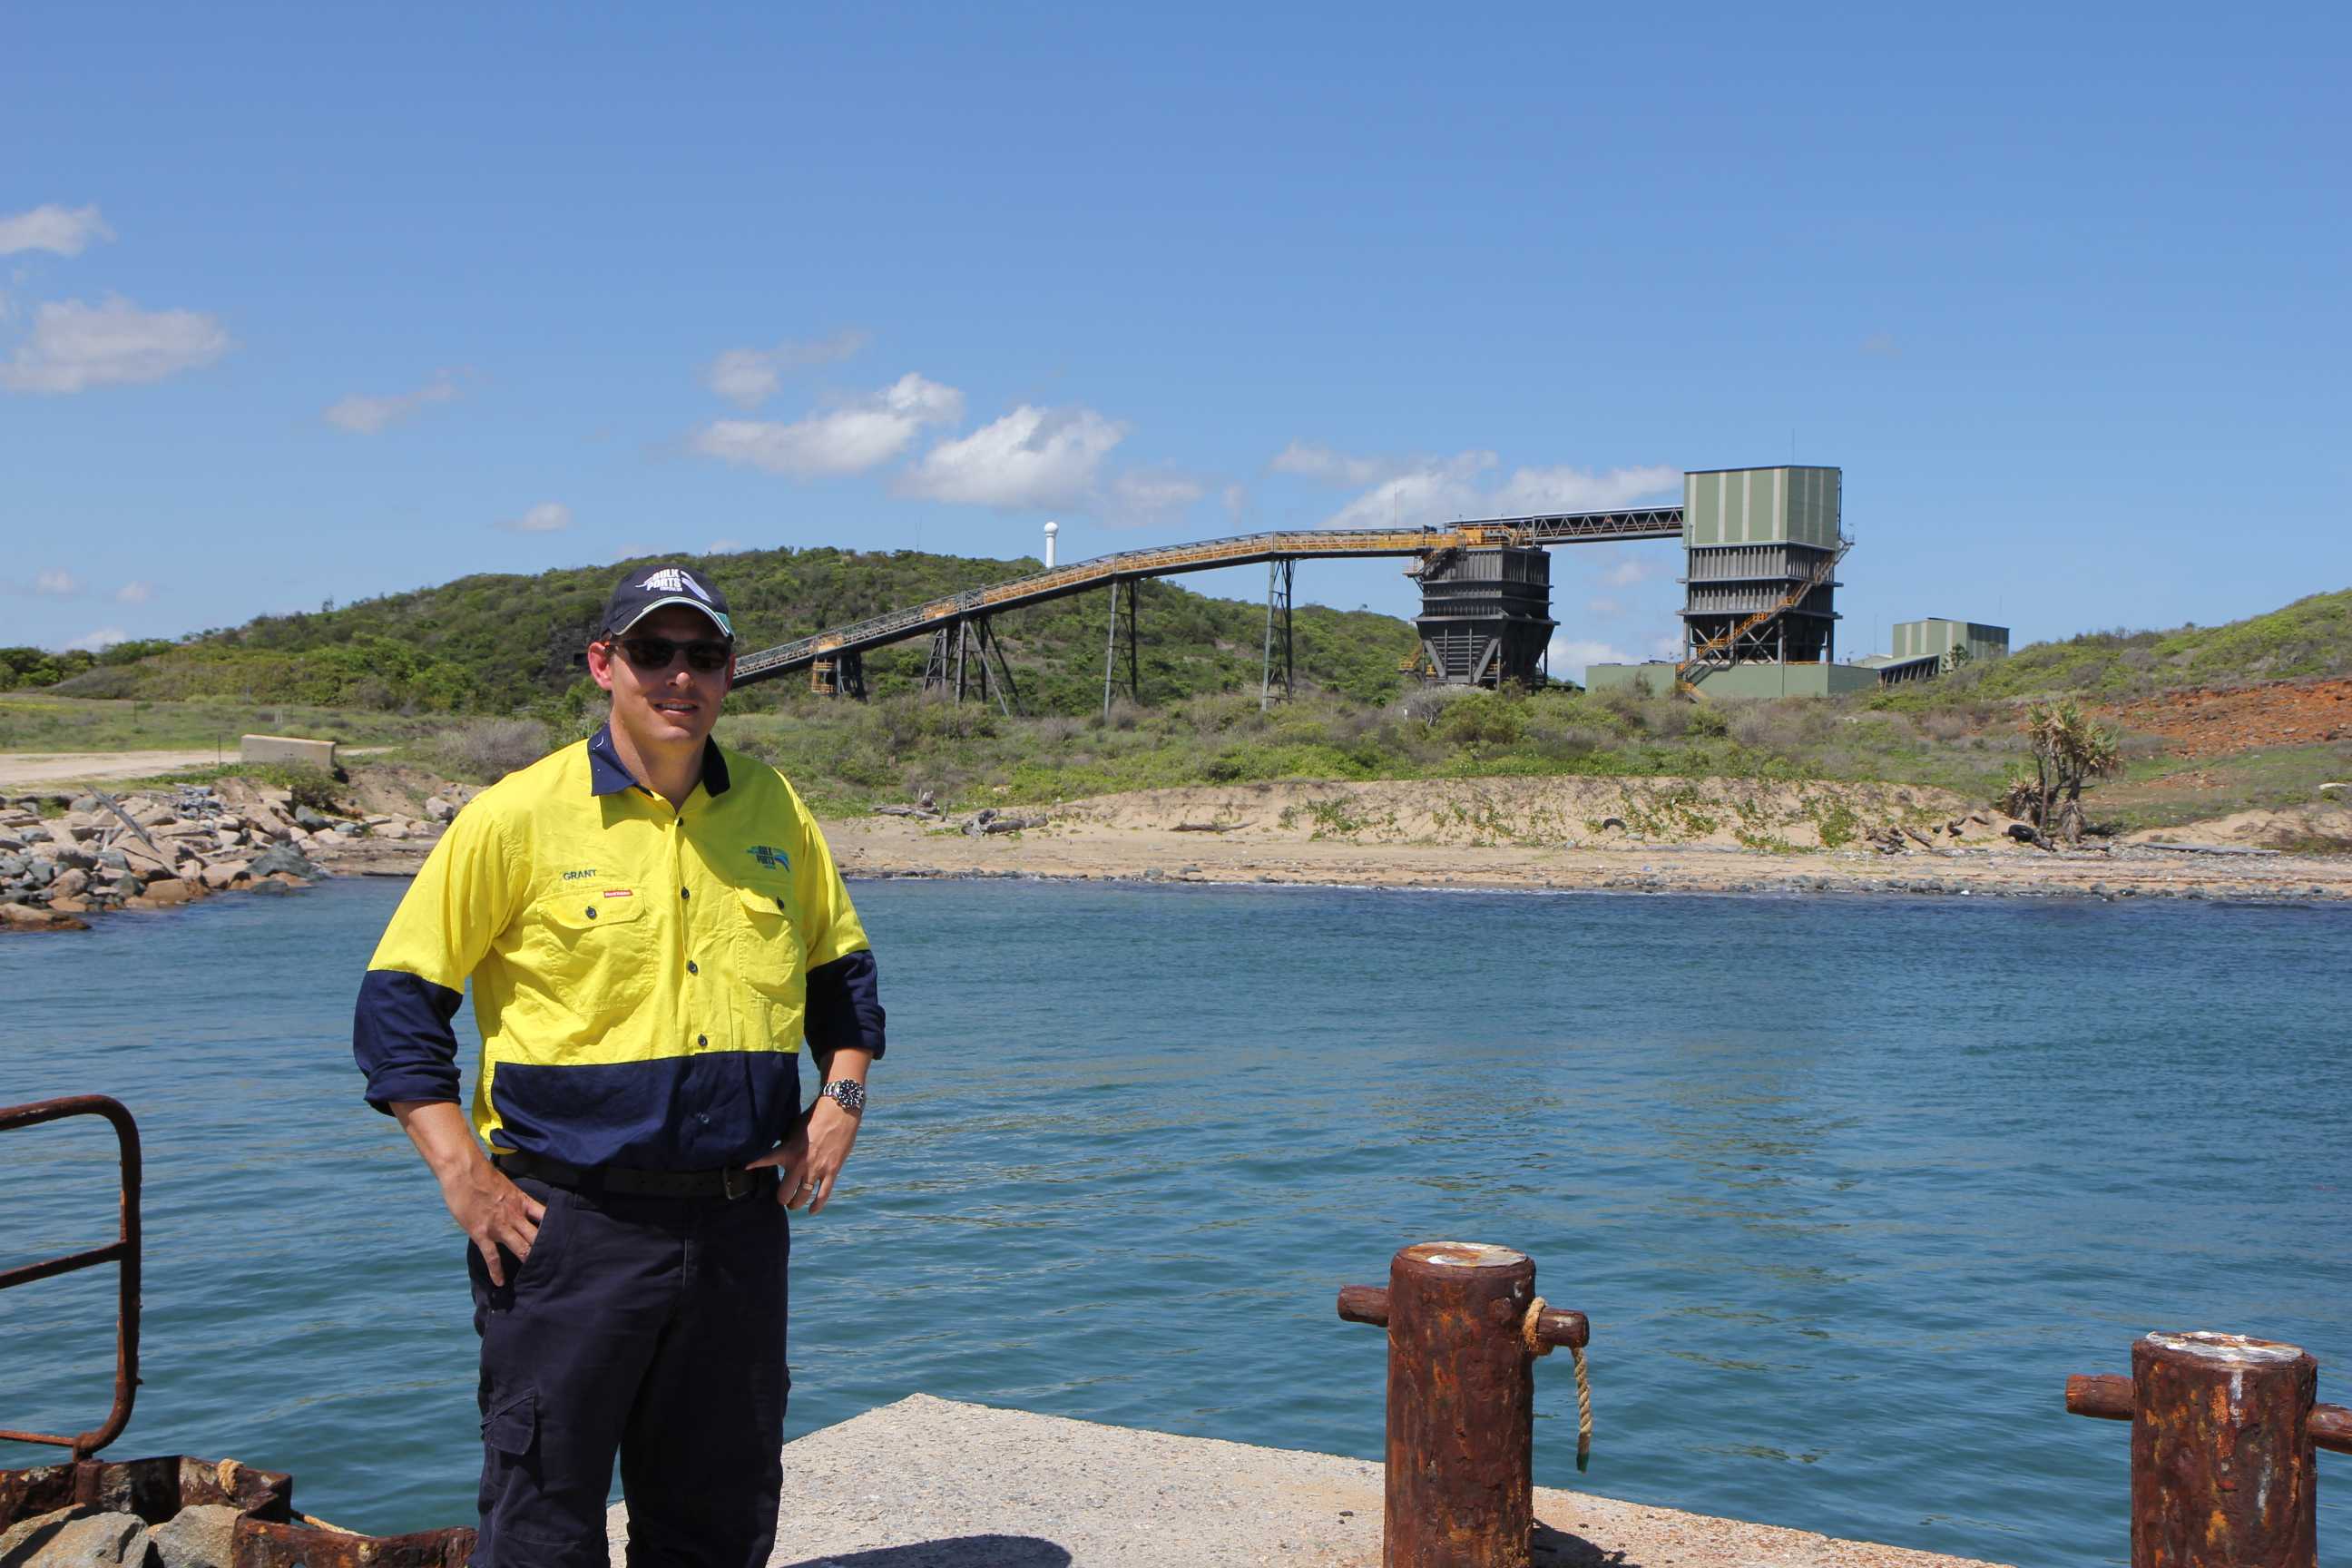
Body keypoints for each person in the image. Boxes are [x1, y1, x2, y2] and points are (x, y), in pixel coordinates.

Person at [352, 563, 885, 1568]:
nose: (679, 676)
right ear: (605, 665)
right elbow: (397, 1007)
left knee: (719, 1515)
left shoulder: (776, 810)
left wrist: (841, 1104)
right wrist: (462, 1173)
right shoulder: (516, 816)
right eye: (652, 652)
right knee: (544, 1516)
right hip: (567, 1231)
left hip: (738, 1226)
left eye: (704, 654)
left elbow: (842, 982)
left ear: (731, 671)